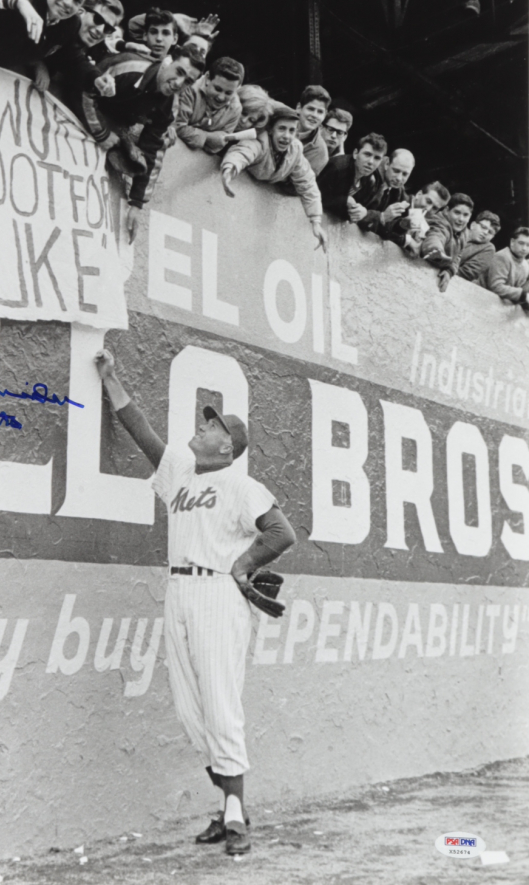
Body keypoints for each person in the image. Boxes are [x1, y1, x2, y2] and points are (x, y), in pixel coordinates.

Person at [93, 347, 296, 857]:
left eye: (210, 427)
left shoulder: (241, 485)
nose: (200, 429)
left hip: (216, 594)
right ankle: (231, 807)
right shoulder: (183, 471)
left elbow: (281, 532)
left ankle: (235, 820)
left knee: (221, 704)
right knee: (190, 709)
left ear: (226, 444)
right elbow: (142, 434)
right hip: (179, 589)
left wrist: (244, 565)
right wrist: (110, 378)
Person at [82, 45, 206, 242]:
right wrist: (102, 133)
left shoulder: (169, 107)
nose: (179, 83)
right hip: (77, 106)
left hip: (108, 128)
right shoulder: (130, 67)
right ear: (167, 61)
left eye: (188, 81)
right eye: (179, 72)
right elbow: (83, 90)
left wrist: (136, 204)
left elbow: (151, 151)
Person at [221, 105, 327, 250]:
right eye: (282, 128)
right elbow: (243, 152)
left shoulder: (295, 150)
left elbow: (308, 184)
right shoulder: (258, 141)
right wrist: (229, 169)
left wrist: (316, 221)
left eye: (292, 130)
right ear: (270, 129)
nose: (286, 136)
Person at [175, 57, 244, 154]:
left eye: (228, 93)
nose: (221, 97)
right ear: (207, 78)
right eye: (218, 89)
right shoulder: (190, 89)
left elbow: (220, 144)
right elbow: (177, 127)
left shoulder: (236, 108)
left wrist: (196, 135)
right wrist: (208, 137)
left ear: (238, 88)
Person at [316, 133, 388, 224]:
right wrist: (345, 200)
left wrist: (361, 212)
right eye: (367, 154)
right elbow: (316, 195)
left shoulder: (372, 181)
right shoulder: (337, 167)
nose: (371, 162)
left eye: (377, 158)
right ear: (355, 153)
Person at [420, 192, 475, 291]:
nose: (461, 219)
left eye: (465, 215)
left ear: (470, 216)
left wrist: (450, 271)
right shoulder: (439, 222)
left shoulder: (465, 232)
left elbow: (458, 255)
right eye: (457, 212)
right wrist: (435, 249)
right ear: (447, 210)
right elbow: (436, 235)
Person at [358, 148, 415, 240]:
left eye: (405, 174)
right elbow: (353, 214)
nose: (399, 178)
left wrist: (403, 224)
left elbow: (384, 231)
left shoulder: (399, 193)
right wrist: (381, 217)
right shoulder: (368, 176)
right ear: (387, 164)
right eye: (396, 171)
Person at [477, 226, 529, 309]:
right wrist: (523, 295)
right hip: (479, 297)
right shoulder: (502, 257)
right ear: (512, 242)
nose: (524, 248)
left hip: (497, 304)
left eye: (528, 245)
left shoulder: (525, 265)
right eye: (521, 243)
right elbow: (496, 287)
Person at [295, 84, 331, 176]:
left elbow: (300, 184)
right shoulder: (278, 121)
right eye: (311, 109)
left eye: (320, 112)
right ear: (299, 108)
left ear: (325, 115)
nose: (315, 115)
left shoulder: (320, 153)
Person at [458, 211, 500, 283]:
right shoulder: (458, 230)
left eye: (490, 232)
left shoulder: (488, 248)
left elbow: (467, 273)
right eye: (483, 227)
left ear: (493, 237)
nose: (485, 232)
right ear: (473, 225)